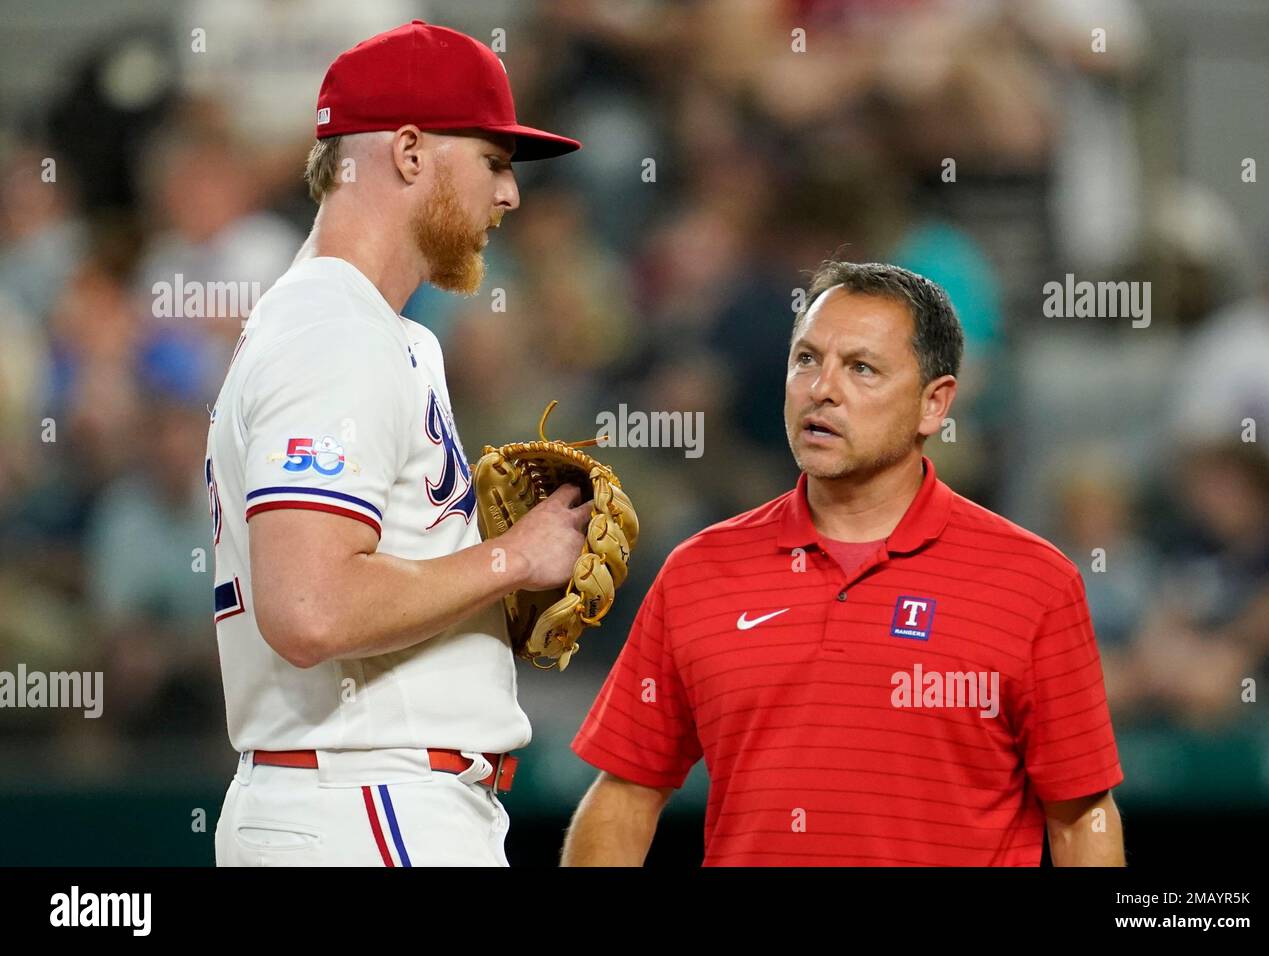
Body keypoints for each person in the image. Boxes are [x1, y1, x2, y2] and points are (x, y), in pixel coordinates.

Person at [563, 261, 1126, 866]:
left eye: (861, 368)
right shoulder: (697, 573)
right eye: (807, 360)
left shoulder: (1033, 583)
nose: (821, 388)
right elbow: (624, 793)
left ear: (933, 406)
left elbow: (1081, 816)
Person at [208, 20, 587, 867]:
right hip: (365, 803)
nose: (510, 195)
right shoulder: (333, 332)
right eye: (493, 161)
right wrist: (511, 561)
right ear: (410, 152)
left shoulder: (369, 330)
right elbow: (310, 610)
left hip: (358, 796)